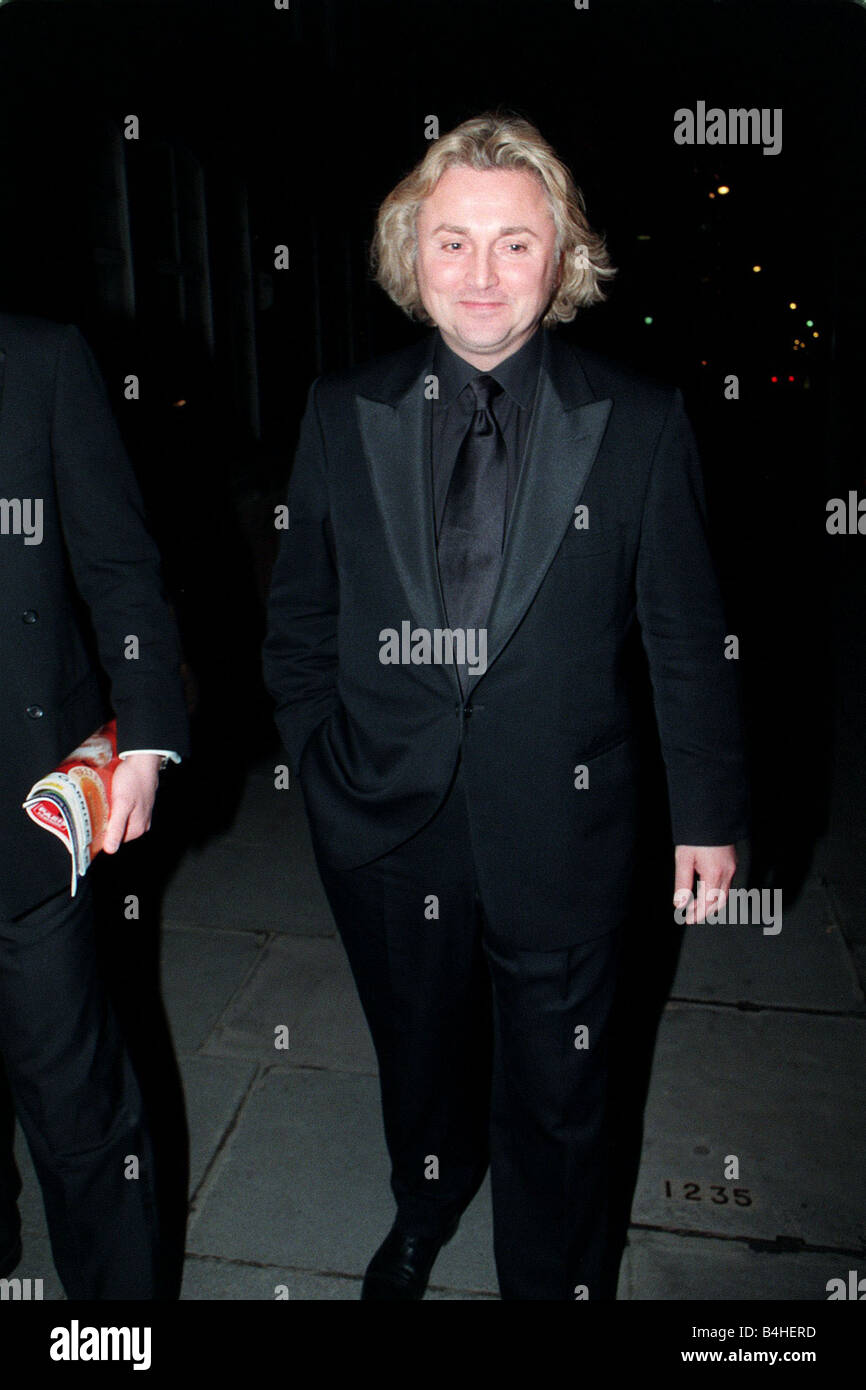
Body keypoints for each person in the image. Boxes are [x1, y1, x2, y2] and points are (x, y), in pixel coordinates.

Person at [263, 112, 749, 1300]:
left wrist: (708, 809)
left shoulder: (638, 423)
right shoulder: (342, 410)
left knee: (563, 1089)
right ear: (408, 255)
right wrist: (321, 763)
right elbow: (299, 621)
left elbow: (687, 637)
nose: (480, 274)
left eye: (514, 244)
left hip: (570, 824)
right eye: (451, 242)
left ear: (561, 259)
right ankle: (425, 1206)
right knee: (418, 1062)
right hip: (384, 820)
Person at [0, 313, 189, 1298]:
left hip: (24, 801)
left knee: (74, 1099)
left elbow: (119, 559)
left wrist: (147, 738)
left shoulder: (38, 361)